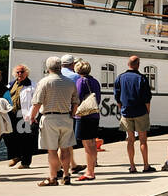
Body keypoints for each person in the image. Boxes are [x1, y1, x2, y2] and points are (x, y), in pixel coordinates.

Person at [29, 56, 80, 186]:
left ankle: (52, 177)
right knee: (65, 149)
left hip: (50, 117)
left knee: (52, 150)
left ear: (48, 68)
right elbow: (75, 103)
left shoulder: (44, 82)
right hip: (66, 117)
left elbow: (37, 103)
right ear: (60, 67)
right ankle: (66, 175)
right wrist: (72, 115)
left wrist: (32, 117)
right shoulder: (70, 82)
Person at [114, 55, 153, 173]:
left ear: (128, 64)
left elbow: (117, 96)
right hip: (141, 111)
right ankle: (146, 165)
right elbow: (147, 97)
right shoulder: (142, 78)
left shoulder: (120, 78)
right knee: (143, 140)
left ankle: (132, 166)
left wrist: (122, 109)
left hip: (126, 112)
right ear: (138, 65)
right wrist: (147, 110)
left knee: (130, 140)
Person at [74, 60, 102, 180]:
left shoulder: (80, 81)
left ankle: (90, 172)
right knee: (92, 143)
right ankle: (92, 168)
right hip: (94, 114)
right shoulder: (95, 81)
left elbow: (78, 98)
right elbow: (98, 98)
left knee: (87, 145)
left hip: (83, 116)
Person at [6, 64, 37, 168]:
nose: (19, 74)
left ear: (26, 73)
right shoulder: (11, 84)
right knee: (11, 137)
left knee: (26, 139)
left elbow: (35, 102)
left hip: (24, 114)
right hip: (12, 114)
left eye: (22, 72)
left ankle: (25, 162)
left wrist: (31, 115)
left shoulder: (32, 85)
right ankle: (16, 156)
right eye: (18, 72)